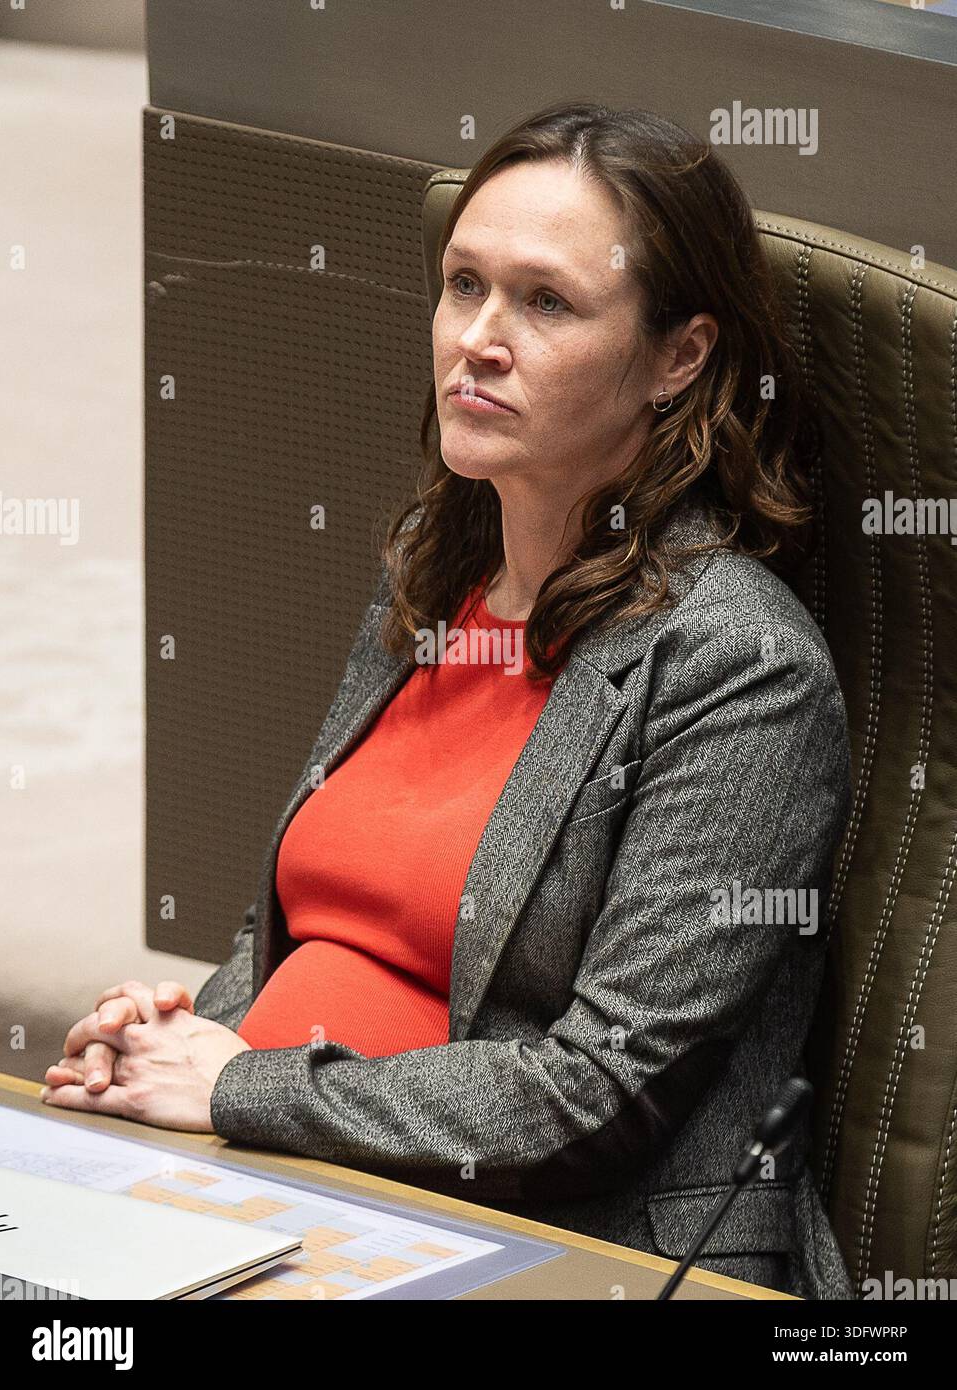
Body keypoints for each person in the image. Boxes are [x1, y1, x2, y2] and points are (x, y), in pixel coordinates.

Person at [42, 101, 853, 1299]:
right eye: (463, 284)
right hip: (287, 1190)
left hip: (567, 1249)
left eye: (546, 302)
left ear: (679, 357)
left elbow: (596, 1097)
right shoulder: (436, 569)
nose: (477, 338)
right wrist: (174, 1036)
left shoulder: (740, 663)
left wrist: (235, 1085)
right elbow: (307, 921)